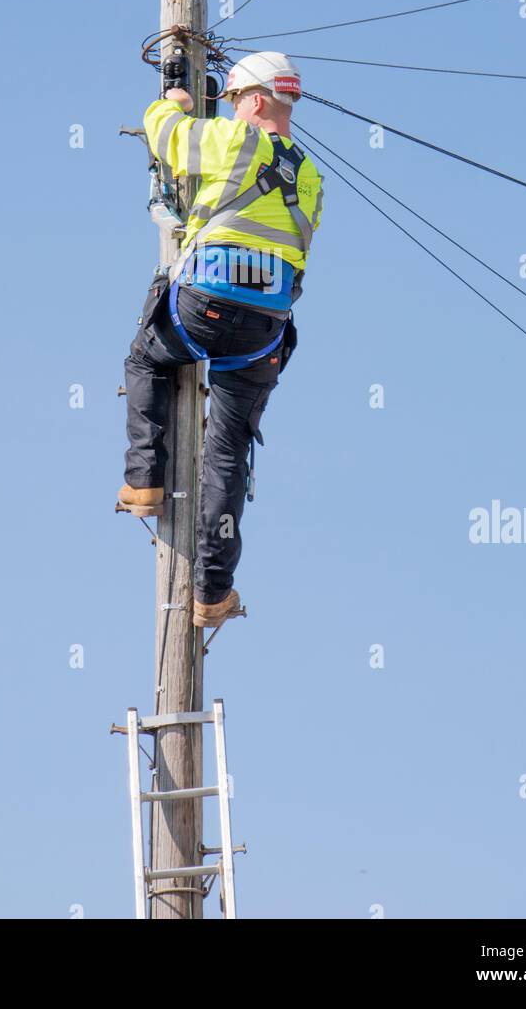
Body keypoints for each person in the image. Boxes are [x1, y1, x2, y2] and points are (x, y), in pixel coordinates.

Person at [118, 51, 323, 627]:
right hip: (264, 329)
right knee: (227, 454)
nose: (230, 110)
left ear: (255, 100)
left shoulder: (235, 142)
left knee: (146, 360)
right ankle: (212, 593)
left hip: (203, 306)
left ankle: (143, 483)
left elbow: (169, 140)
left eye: (233, 101)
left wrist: (174, 102)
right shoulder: (310, 177)